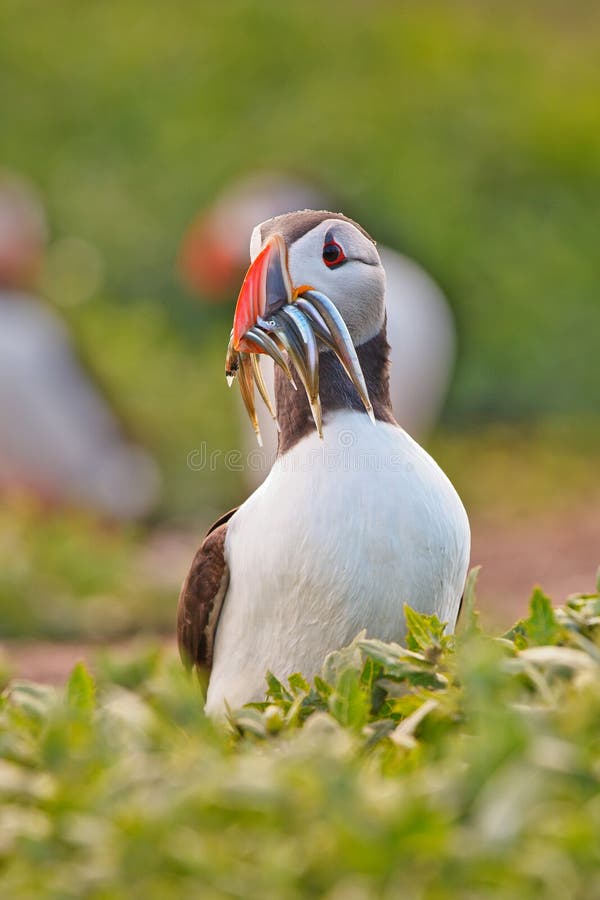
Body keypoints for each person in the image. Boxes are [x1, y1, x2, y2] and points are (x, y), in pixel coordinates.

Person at [179, 172, 456, 486]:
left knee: (284, 476)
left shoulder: (288, 301)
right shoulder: (407, 283)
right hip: (397, 453)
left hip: (296, 478)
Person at [0, 173, 160, 518]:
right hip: (63, 509)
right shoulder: (25, 327)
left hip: (24, 508)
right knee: (135, 478)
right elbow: (71, 454)